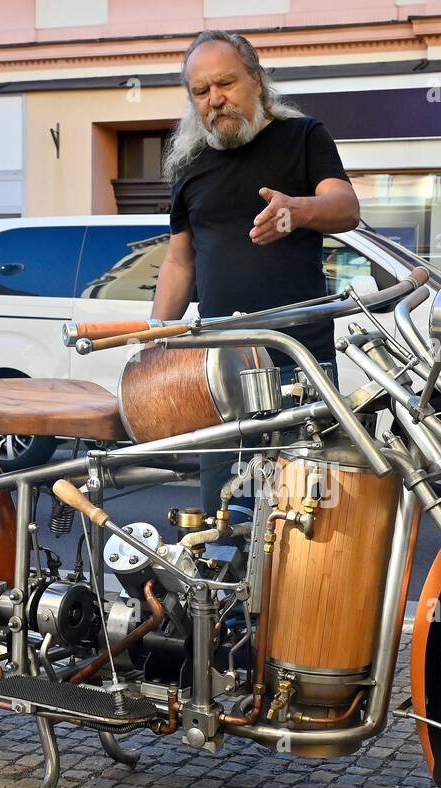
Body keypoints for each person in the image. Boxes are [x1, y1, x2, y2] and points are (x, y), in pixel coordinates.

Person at [152, 29, 360, 518]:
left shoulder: (303, 136)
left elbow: (346, 207)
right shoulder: (188, 164)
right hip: (219, 375)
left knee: (304, 522)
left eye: (225, 83)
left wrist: (299, 210)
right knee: (226, 518)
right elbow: (180, 260)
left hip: (300, 367)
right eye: (201, 91)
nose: (214, 99)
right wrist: (154, 341)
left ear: (257, 81)